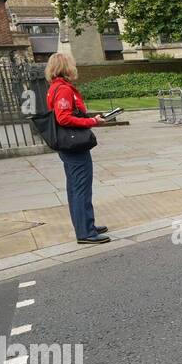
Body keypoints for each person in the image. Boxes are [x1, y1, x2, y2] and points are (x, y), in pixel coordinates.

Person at [45, 52, 109, 245]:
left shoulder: (54, 87)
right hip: (74, 145)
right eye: (72, 63)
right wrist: (91, 121)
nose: (75, 66)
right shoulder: (63, 89)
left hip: (68, 145)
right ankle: (86, 232)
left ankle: (86, 225)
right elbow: (63, 117)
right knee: (81, 187)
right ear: (66, 67)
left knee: (75, 187)